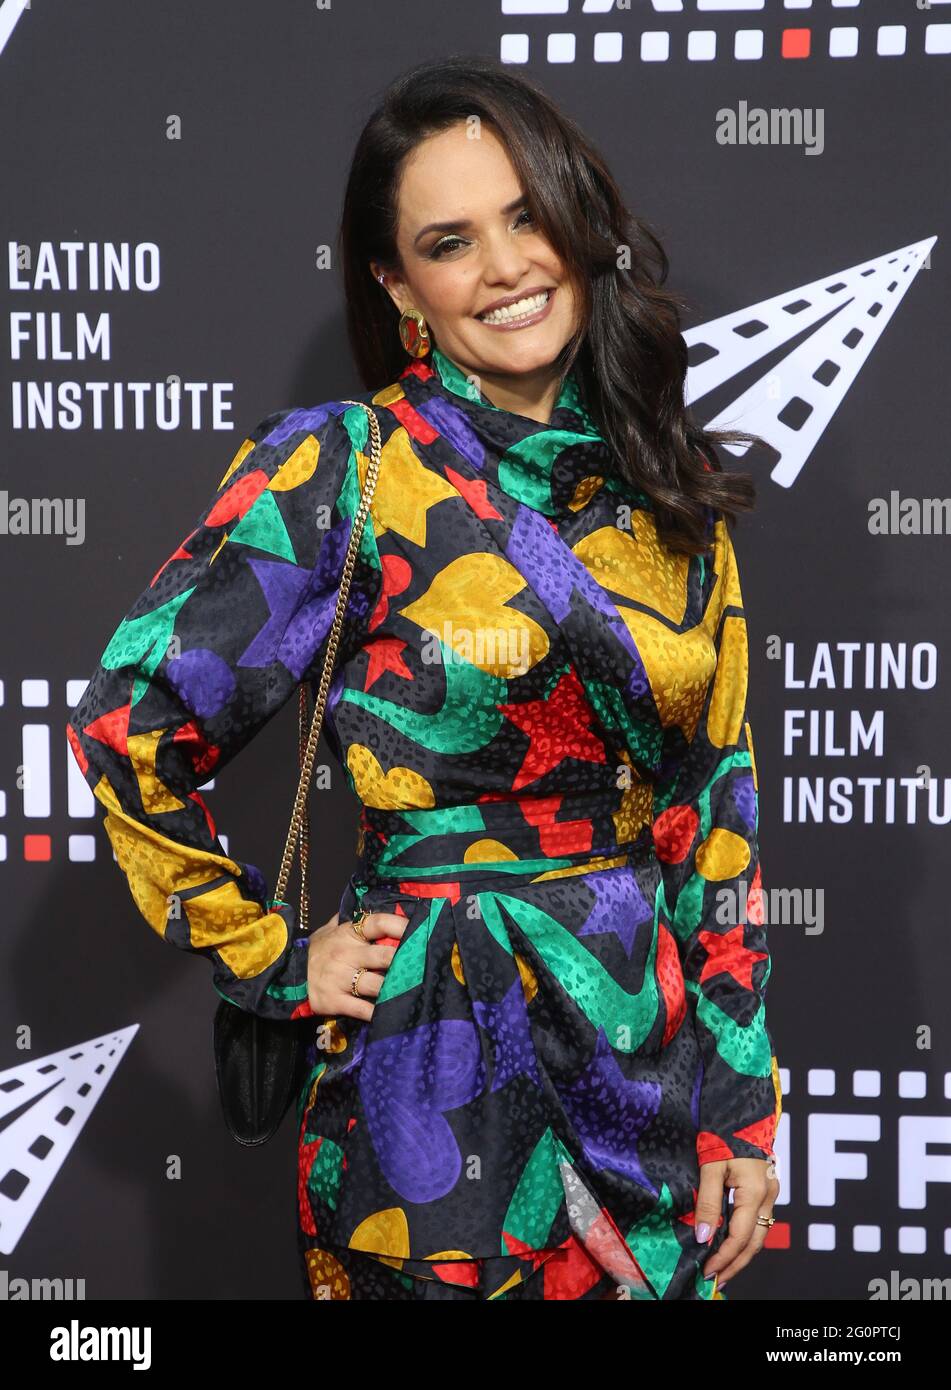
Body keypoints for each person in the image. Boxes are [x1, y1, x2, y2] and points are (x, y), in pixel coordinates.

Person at [66, 53, 782, 1302]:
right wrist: (275, 955)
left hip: (642, 1059)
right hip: (432, 1062)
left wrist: (742, 1108)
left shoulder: (669, 489)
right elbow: (132, 724)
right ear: (402, 286)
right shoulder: (346, 470)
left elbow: (714, 811)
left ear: (581, 224)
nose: (506, 266)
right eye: (451, 241)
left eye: (526, 216)